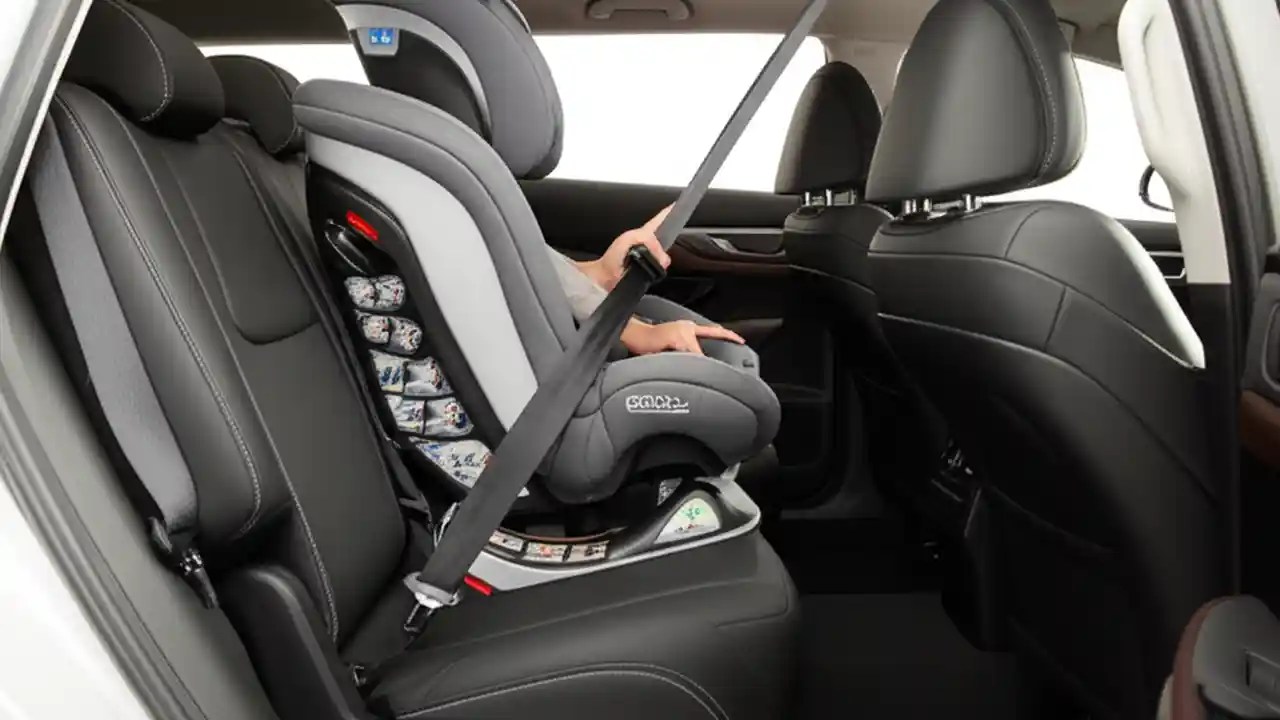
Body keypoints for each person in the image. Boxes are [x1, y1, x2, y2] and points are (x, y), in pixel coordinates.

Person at [546, 206, 745, 356]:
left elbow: (533, 264)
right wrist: (640, 333)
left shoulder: (515, 217)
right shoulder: (514, 216)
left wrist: (597, 273)